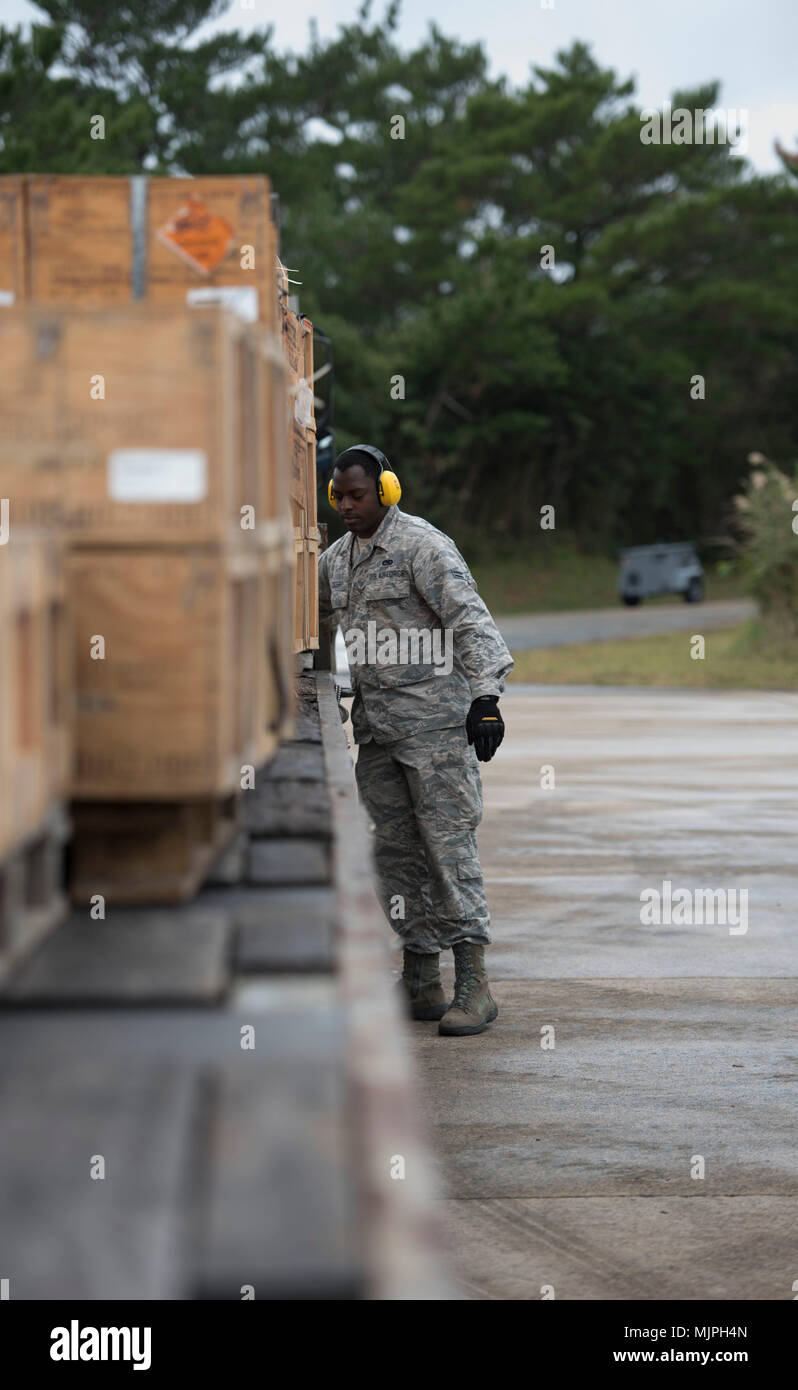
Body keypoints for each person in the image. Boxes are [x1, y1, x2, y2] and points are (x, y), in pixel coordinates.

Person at [318, 444, 513, 1037]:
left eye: (358, 495)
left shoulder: (422, 546)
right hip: (377, 732)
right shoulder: (336, 561)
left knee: (447, 850)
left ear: (387, 491)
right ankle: (421, 979)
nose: (347, 506)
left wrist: (486, 698)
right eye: (339, 496)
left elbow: (470, 618)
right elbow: (314, 626)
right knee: (394, 855)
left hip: (435, 733)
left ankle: (474, 984)